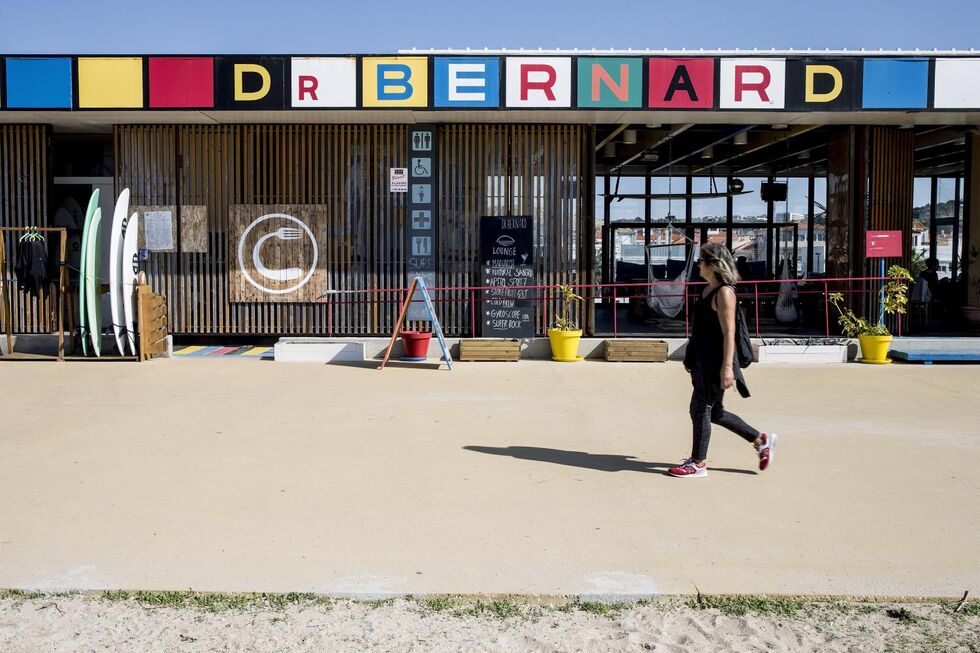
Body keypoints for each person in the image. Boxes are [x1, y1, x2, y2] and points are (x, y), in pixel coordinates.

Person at [670, 243, 776, 478]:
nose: (698, 264)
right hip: (702, 361)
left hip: (716, 363)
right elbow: (701, 330)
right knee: (715, 412)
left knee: (699, 408)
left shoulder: (725, 293)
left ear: (713, 265)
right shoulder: (707, 289)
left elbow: (729, 333)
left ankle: (698, 463)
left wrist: (727, 368)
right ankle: (761, 441)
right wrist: (691, 356)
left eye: (701, 261)